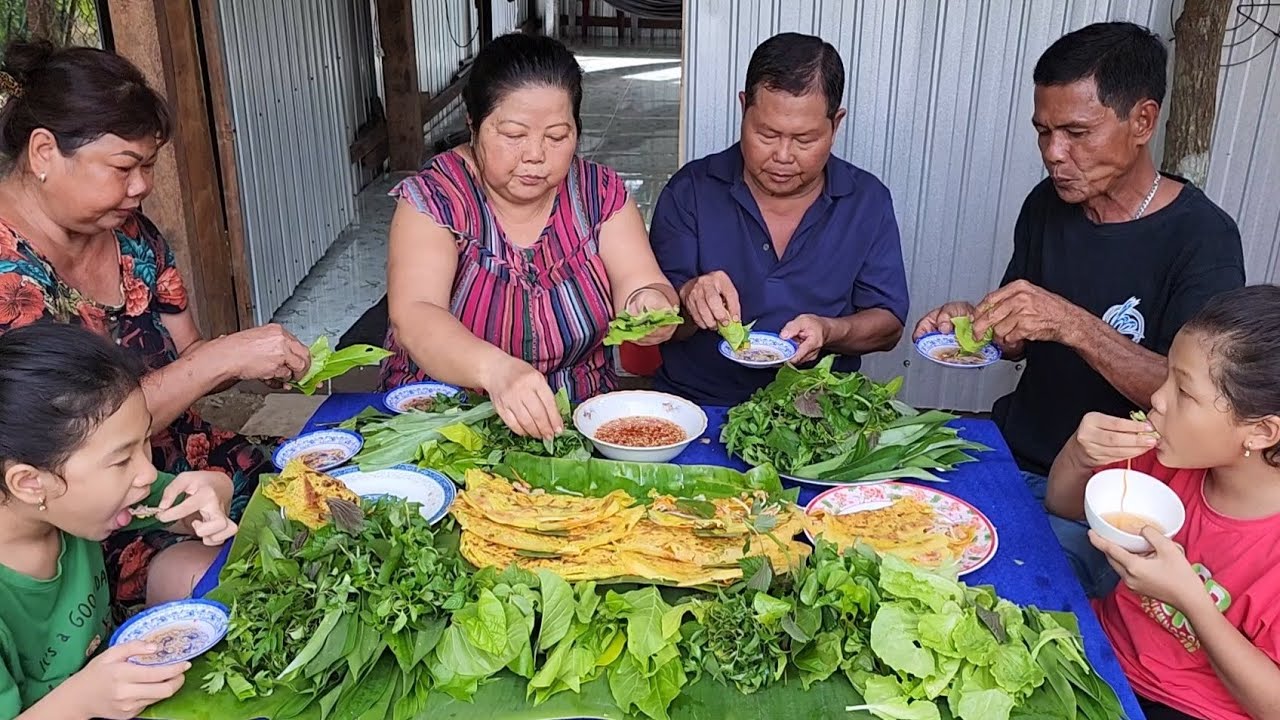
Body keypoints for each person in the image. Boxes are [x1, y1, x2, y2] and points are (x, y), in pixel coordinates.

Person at [0, 41, 311, 611]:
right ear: (44, 151)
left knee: (321, 514)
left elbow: (189, 354)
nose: (141, 186)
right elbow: (72, 439)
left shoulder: (132, 237)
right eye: (125, 167)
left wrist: (249, 363)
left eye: (148, 166)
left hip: (188, 467)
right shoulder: (8, 282)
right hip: (91, 513)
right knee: (249, 595)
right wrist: (217, 360)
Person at [914, 23, 1243, 502]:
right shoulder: (1047, 204)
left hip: (1115, 492)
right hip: (1014, 452)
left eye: (1076, 132)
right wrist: (977, 323)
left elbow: (1201, 403)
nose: (1053, 153)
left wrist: (1072, 324)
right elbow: (1018, 340)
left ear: (1143, 122)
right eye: (1043, 132)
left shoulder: (1203, 237)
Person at [382, 33, 679, 438]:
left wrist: (649, 304)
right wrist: (496, 370)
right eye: (513, 135)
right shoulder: (435, 199)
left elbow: (641, 281)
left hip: (577, 422)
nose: (536, 155)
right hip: (448, 424)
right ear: (473, 124)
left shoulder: (600, 194)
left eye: (557, 137)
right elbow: (414, 314)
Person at [1047, 285, 1280, 720]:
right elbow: (1063, 505)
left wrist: (1193, 603)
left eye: (1184, 392)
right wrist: (1079, 455)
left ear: (1262, 432)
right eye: (1167, 376)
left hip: (1190, 709)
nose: (1157, 398)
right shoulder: (1167, 457)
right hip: (1098, 655)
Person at [649, 32, 908, 407]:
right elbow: (656, 324)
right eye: (767, 133)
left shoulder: (866, 201)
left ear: (836, 124)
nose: (783, 156)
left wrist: (830, 330)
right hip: (696, 403)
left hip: (817, 409)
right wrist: (688, 299)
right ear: (743, 108)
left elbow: (888, 326)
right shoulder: (691, 190)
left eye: (804, 140)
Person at [0, 323, 238, 719]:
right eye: (122, 459)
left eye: (145, 442)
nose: (146, 473)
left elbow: (186, 508)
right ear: (29, 483)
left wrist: (213, 492)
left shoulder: (71, 506)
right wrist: (80, 702)